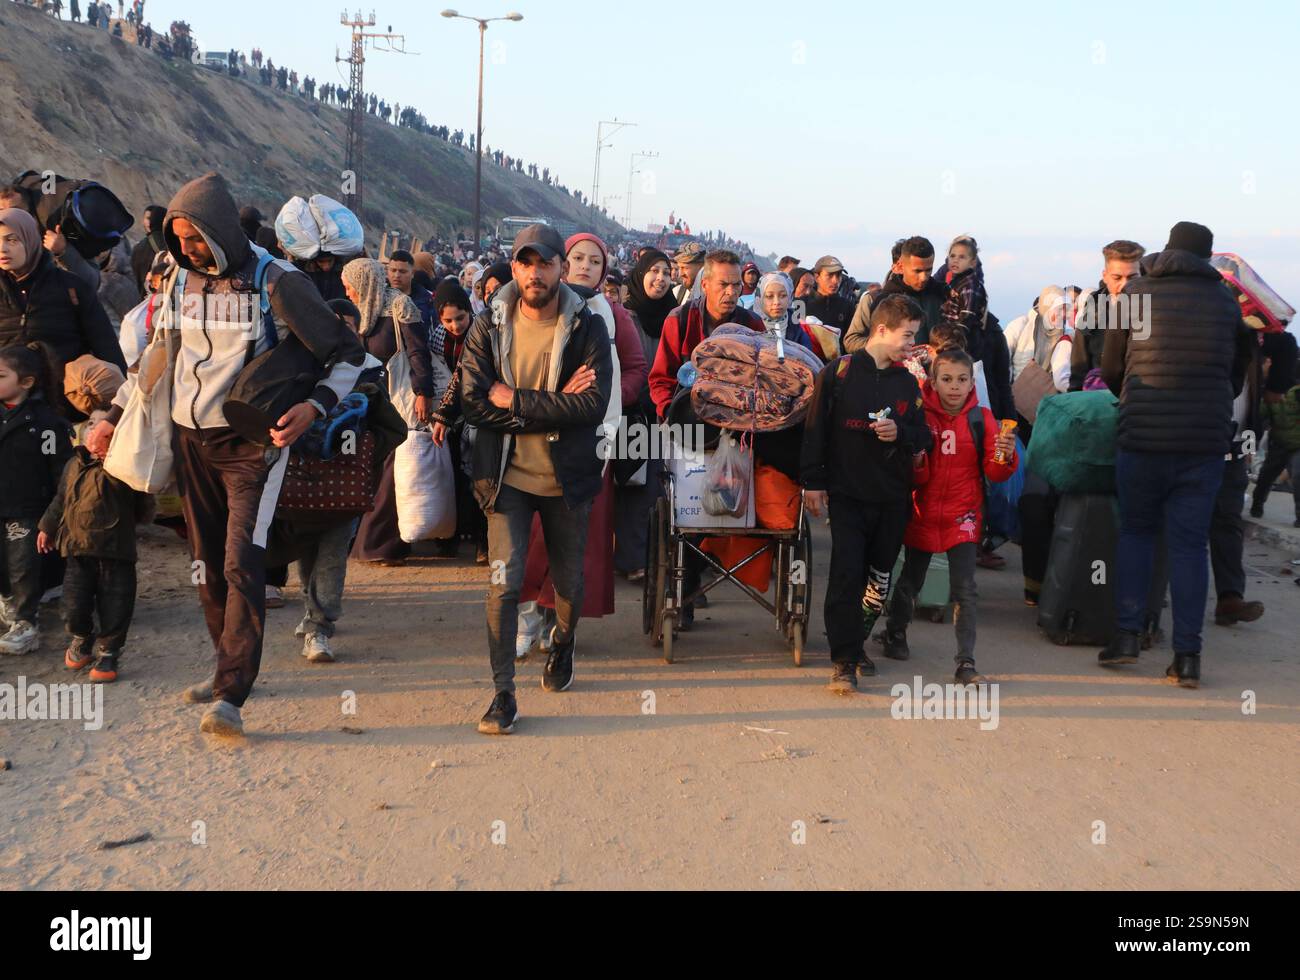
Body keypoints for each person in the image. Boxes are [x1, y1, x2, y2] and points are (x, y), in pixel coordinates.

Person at [85, 173, 367, 737]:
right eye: (180, 240)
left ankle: (230, 694)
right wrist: (112, 416)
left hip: (251, 446)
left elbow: (347, 352)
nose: (189, 251)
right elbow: (157, 356)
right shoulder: (174, 281)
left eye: (197, 240)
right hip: (191, 442)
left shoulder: (276, 280)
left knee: (242, 561)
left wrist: (314, 406)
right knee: (206, 562)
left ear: (221, 231)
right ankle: (225, 667)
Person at [458, 224, 613, 735]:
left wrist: (517, 399)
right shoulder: (488, 324)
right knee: (503, 583)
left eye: (544, 263)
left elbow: (590, 407)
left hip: (567, 479)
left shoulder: (588, 327)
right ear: (515, 267)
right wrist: (551, 407)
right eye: (525, 263)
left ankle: (563, 646)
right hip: (507, 479)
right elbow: (474, 403)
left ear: (560, 269)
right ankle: (503, 693)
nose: (534, 272)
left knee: (568, 580)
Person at [1098, 221, 1253, 690]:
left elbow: (1110, 367)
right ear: (1206, 258)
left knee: (1137, 534)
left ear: (1167, 251)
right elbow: (1236, 376)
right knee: (1189, 546)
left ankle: (1127, 637)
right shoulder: (1226, 302)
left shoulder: (1137, 295)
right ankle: (1187, 658)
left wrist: (1134, 397)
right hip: (1203, 444)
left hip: (1143, 436)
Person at [514, 232, 648, 657]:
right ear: (563, 263)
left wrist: (607, 395)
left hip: (596, 441)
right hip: (539, 437)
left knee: (577, 537)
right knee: (534, 533)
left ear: (605, 270)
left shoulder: (614, 315)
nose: (586, 266)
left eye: (595, 260)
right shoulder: (542, 308)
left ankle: (560, 624)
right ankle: (526, 617)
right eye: (578, 258)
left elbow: (635, 368)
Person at [801, 294, 933, 693]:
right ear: (881, 330)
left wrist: (902, 433)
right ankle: (843, 660)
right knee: (846, 574)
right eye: (907, 335)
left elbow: (923, 433)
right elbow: (814, 432)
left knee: (879, 579)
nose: (911, 344)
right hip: (847, 494)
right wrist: (813, 482)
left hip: (892, 498)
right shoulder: (837, 372)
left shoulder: (907, 382)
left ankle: (859, 643)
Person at [879, 346, 1019, 685]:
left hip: (964, 515)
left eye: (962, 380)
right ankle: (895, 633)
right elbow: (914, 475)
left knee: (965, 589)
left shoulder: (981, 419)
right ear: (933, 381)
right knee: (911, 581)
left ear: (972, 383)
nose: (954, 387)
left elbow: (995, 474)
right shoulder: (920, 416)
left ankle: (965, 662)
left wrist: (1003, 457)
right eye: (946, 379)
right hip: (923, 511)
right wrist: (917, 461)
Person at [38, 383, 153, 683]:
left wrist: (120, 460)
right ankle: (81, 636)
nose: (95, 433)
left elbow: (145, 500)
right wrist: (47, 527)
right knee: (73, 605)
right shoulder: (73, 464)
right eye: (91, 425)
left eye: (106, 428)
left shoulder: (126, 468)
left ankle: (109, 652)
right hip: (76, 549)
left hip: (116, 550)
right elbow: (61, 499)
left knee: (116, 604)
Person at [343, 257, 440, 566]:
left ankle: (383, 545)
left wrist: (424, 392)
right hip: (364, 404)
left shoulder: (401, 307)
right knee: (367, 470)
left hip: (399, 401)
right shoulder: (358, 312)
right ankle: (361, 538)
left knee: (392, 474)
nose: (348, 293)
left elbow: (417, 352)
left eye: (350, 287)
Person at [0, 208, 125, 418]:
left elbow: (106, 347)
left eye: (12, 240)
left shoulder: (70, 287)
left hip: (62, 410)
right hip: (6, 411)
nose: (3, 249)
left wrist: (115, 411)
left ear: (31, 240)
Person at [0, 346, 74, 656]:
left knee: (23, 565)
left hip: (27, 508)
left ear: (26, 382)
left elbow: (60, 468)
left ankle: (26, 622)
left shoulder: (44, 423)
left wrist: (57, 512)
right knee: (5, 565)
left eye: (1, 376)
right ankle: (8, 602)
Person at [614, 247, 677, 580]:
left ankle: (660, 558)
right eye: (654, 271)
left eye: (666, 273)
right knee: (634, 487)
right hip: (631, 412)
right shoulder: (626, 317)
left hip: (666, 413)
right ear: (640, 275)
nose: (661, 278)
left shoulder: (676, 316)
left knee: (662, 488)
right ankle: (632, 560)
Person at [648, 250, 763, 420]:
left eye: (737, 284)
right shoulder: (680, 319)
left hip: (735, 422)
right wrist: (670, 412)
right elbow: (661, 378)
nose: (731, 292)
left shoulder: (752, 325)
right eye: (723, 284)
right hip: (684, 417)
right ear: (704, 285)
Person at [430, 281, 489, 564]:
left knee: (479, 477)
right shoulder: (437, 337)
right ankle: (449, 536)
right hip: (451, 413)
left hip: (480, 412)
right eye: (448, 320)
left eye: (460, 318)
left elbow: (465, 371)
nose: (455, 326)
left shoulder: (484, 331)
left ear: (470, 312)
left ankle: (483, 539)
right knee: (450, 475)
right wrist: (443, 413)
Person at [844, 237, 950, 350]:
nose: (924, 277)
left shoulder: (942, 294)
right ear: (900, 266)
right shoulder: (880, 300)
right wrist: (888, 348)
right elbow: (852, 341)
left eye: (928, 270)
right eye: (917, 271)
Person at [1070, 241, 1145, 392]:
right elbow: (1079, 368)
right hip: (1101, 403)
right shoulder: (1093, 310)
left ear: (1142, 275)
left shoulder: (1155, 309)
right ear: (1105, 276)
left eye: (1132, 278)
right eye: (1117, 278)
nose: (1125, 285)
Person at [1003, 286, 1073, 394]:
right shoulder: (1020, 325)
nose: (1063, 314)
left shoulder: (1065, 336)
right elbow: (1002, 361)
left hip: (1049, 402)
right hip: (1015, 400)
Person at [803, 255, 855, 335]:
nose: (835, 280)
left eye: (838, 275)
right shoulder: (802, 304)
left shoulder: (847, 306)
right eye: (830, 275)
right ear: (817, 277)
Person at [130, 204, 167, 294]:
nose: (148, 222)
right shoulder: (170, 243)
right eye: (147, 218)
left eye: (150, 219)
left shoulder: (139, 247)